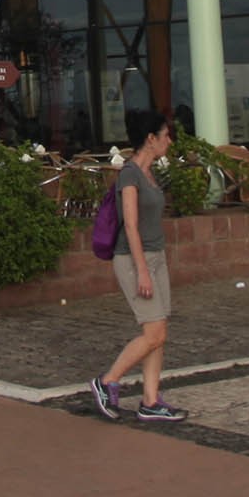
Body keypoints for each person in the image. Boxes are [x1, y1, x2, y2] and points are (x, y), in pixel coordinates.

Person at [92, 110, 186, 424]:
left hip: (156, 257)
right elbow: (130, 226)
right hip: (134, 260)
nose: (169, 142)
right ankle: (107, 381)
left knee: (158, 332)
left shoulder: (150, 174)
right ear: (151, 139)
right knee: (153, 332)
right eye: (165, 136)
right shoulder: (129, 175)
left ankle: (150, 400)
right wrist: (142, 269)